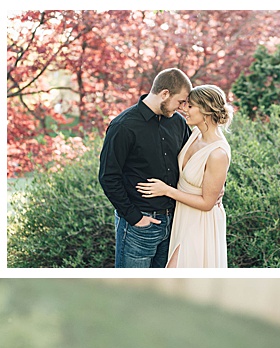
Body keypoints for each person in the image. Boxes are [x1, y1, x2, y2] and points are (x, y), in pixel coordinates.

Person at [98, 68, 192, 269]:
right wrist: (134, 217)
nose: (183, 107)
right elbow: (108, 176)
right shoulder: (123, 126)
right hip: (139, 225)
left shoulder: (178, 123)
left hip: (174, 221)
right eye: (181, 101)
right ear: (165, 94)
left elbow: (192, 161)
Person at [136, 85, 231, 269]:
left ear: (206, 110)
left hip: (200, 223)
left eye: (190, 106)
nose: (183, 109)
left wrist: (166, 190)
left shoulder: (218, 153)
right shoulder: (195, 134)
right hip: (182, 216)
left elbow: (207, 203)